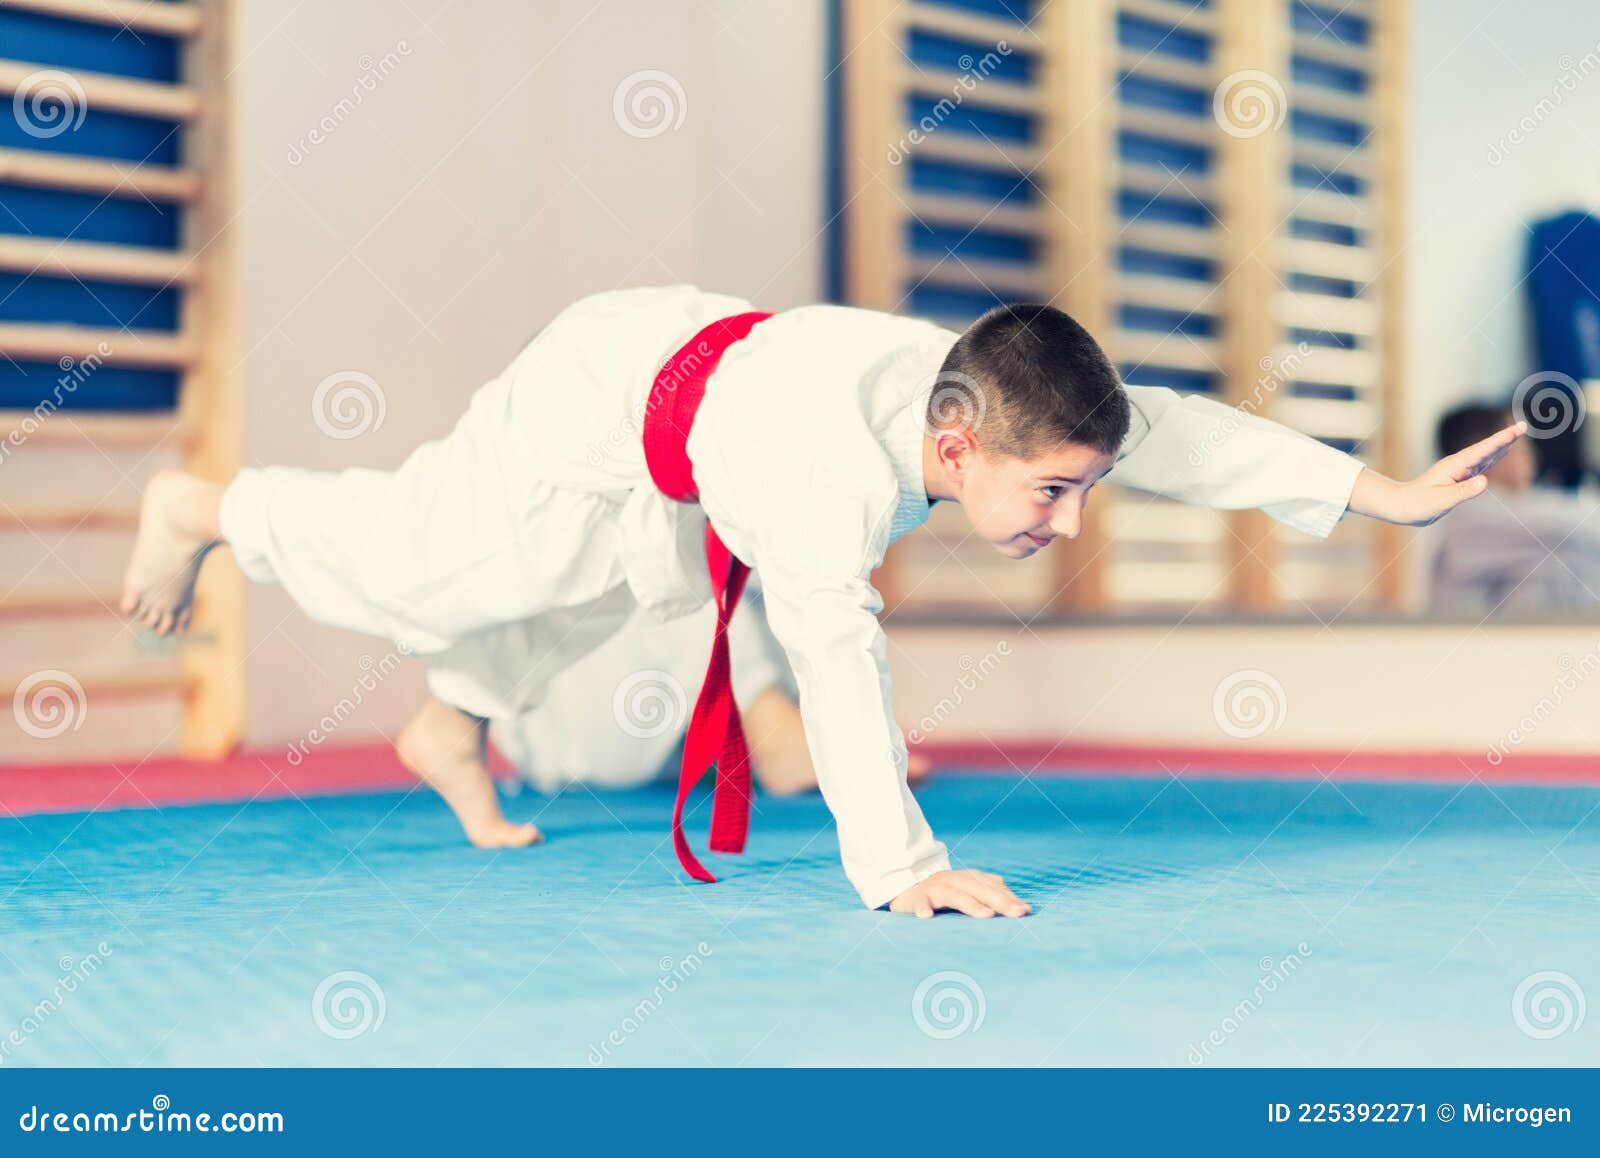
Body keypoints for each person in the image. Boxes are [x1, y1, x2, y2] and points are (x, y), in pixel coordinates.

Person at [120, 286, 1522, 918]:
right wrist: (903, 866)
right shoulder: (826, 486)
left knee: (624, 582)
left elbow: (1181, 432)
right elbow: (842, 659)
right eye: (1051, 496)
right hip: (598, 389)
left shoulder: (1004, 405)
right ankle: (210, 508)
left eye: (1084, 490)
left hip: (704, 387)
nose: (1072, 519)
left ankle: (450, 725)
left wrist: (1380, 493)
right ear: (958, 448)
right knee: (431, 559)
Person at [1430, 403, 1600, 614]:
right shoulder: (1473, 514)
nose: (1533, 455)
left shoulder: (1508, 515)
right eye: (1522, 445)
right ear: (1486, 452)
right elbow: (1577, 526)